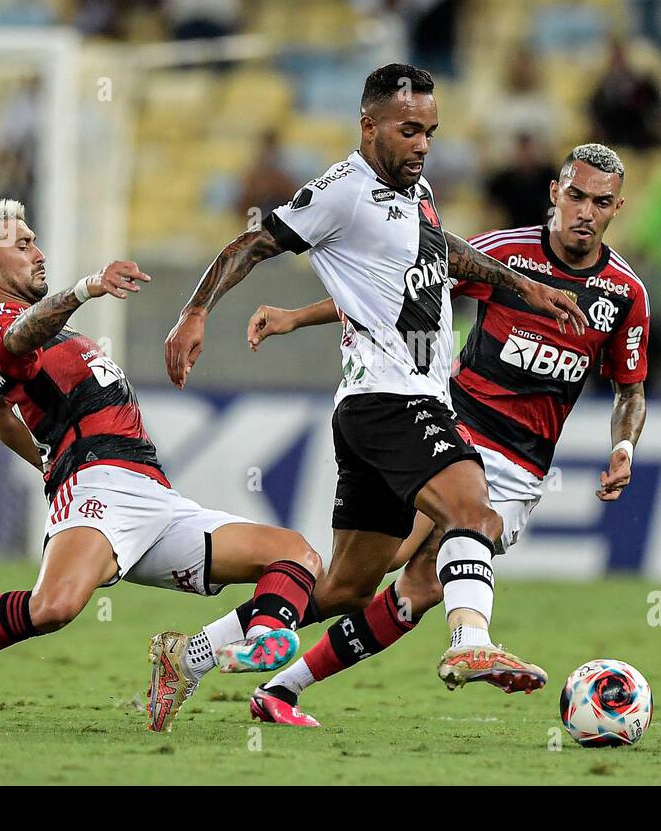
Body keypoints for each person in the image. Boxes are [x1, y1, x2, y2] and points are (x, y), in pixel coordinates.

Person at [161, 64, 588, 726]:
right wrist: (195, 312)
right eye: (409, 130)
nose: (423, 144)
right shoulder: (343, 190)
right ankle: (470, 644)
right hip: (391, 404)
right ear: (369, 126)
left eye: (431, 132)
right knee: (472, 508)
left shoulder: (411, 191)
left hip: (384, 407)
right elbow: (255, 243)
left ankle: (189, 654)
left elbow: (437, 254)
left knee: (346, 588)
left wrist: (524, 287)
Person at [0, 199, 323, 733]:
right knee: (55, 607)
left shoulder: (44, 343)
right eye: (22, 244)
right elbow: (19, 340)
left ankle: (228, 649)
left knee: (295, 554)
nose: (38, 252)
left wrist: (42, 457)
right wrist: (86, 288)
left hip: (154, 496)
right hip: (96, 485)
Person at [240, 143, 650, 726]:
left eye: (600, 202)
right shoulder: (503, 254)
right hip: (452, 428)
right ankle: (468, 642)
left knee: (414, 592)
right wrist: (294, 316)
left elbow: (630, 391)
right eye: (576, 196)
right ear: (555, 194)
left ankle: (274, 685)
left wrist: (622, 448)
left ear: (617, 209)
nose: (584, 211)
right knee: (385, 565)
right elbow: (395, 290)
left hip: (523, 466)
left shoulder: (625, 294)